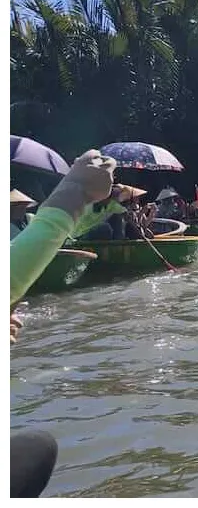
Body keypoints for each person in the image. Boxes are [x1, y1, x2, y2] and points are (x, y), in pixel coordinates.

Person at [10, 150, 116, 498]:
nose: (19, 211)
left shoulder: (24, 223)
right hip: (45, 240)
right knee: (37, 446)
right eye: (16, 208)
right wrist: (76, 191)